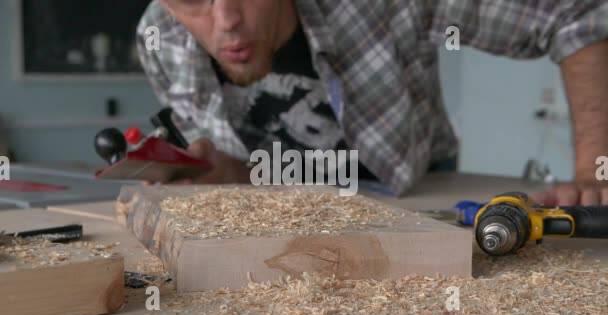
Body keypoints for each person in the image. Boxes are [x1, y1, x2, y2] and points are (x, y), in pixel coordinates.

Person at [137, 0, 608, 205]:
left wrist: (594, 171)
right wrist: (221, 172)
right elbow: (240, 173)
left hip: (416, 194)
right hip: (280, 219)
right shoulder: (160, 41)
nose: (227, 22)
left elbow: (577, 13)